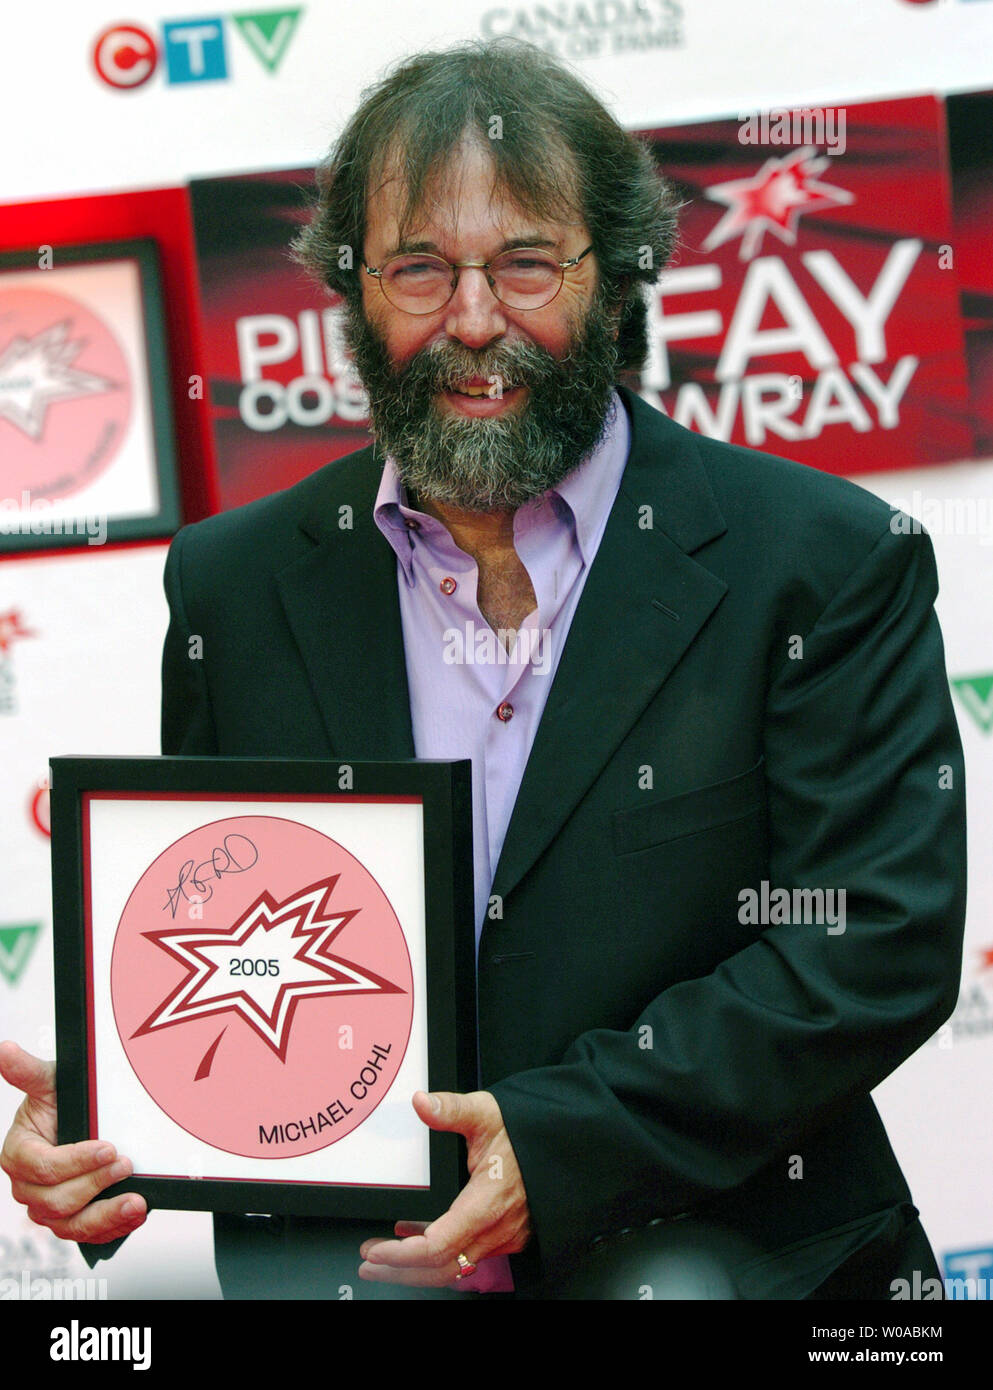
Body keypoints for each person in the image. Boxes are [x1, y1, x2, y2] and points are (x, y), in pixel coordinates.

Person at [0, 38, 966, 1300]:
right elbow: (230, 925)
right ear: (351, 297)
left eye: (524, 262)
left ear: (617, 278)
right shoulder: (234, 585)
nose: (472, 321)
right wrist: (109, 1118)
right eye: (417, 268)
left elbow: (870, 942)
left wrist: (563, 1141)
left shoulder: (822, 561)